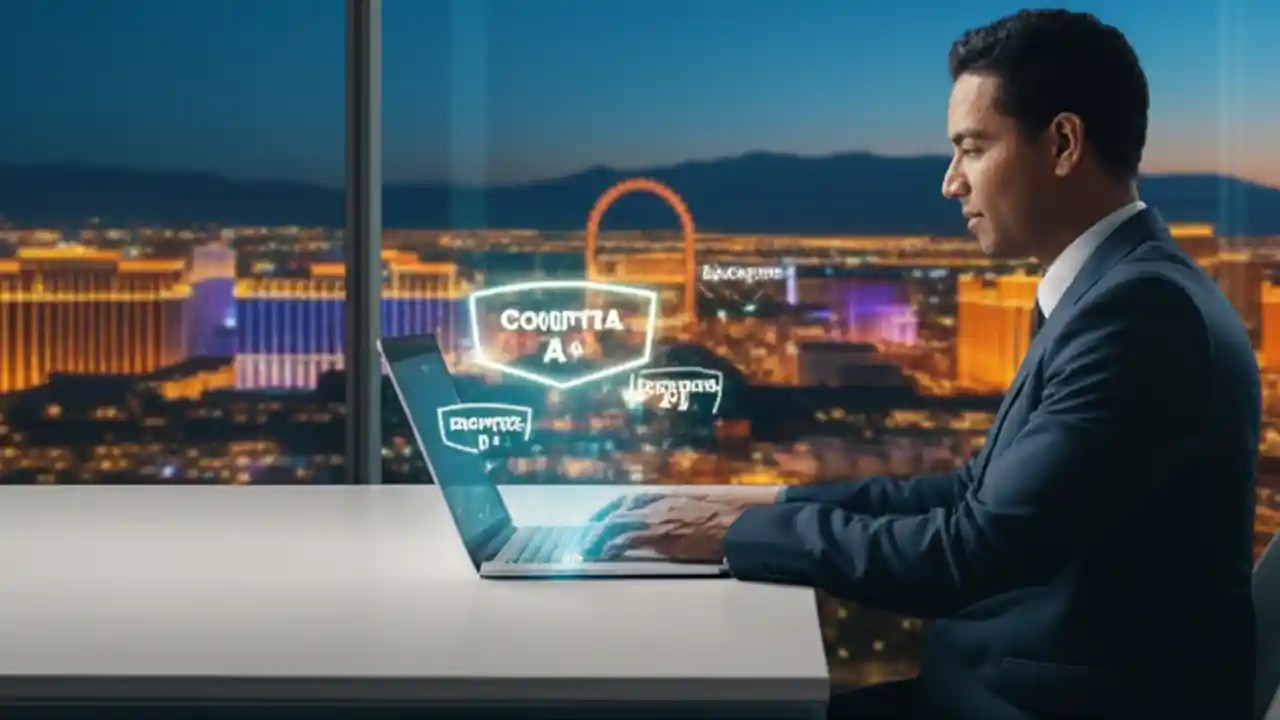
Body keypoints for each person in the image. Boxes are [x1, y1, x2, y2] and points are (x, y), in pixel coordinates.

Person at [587, 9, 1260, 720]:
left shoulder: (1141, 316)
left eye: (972, 148)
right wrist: (768, 505)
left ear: (1063, 144)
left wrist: (738, 536)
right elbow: (975, 493)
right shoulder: (1120, 291)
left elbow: (972, 551)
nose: (950, 183)